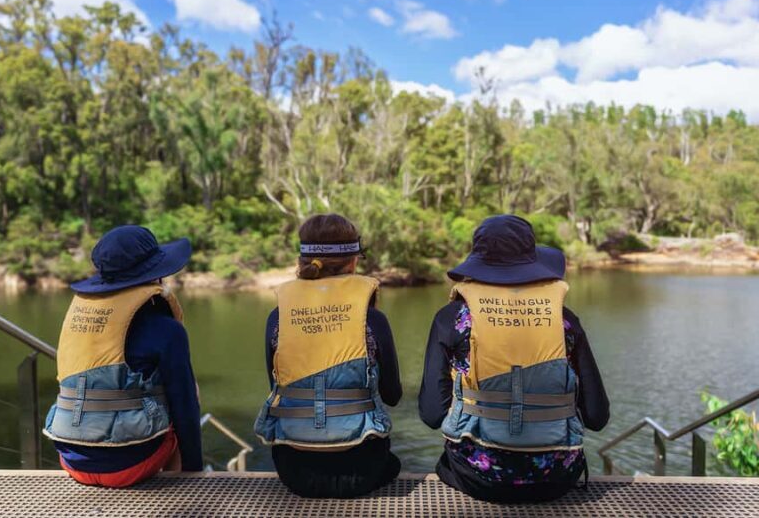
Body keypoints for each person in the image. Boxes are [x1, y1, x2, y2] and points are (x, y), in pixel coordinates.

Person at [419, 215, 609, 503]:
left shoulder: (451, 319)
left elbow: (432, 414)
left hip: (478, 478)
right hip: (556, 478)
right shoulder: (565, 321)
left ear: (477, 261)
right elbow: (597, 416)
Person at [254, 213, 402, 498]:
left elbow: (276, 388)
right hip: (362, 471)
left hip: (293, 472)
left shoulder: (278, 317)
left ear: (302, 260)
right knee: (391, 465)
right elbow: (392, 395)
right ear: (354, 261)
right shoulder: (373, 320)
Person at [43, 225, 203, 487]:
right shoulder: (167, 329)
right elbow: (184, 406)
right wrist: (196, 470)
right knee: (190, 391)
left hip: (73, 461)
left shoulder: (80, 316)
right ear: (156, 274)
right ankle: (183, 483)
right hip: (130, 466)